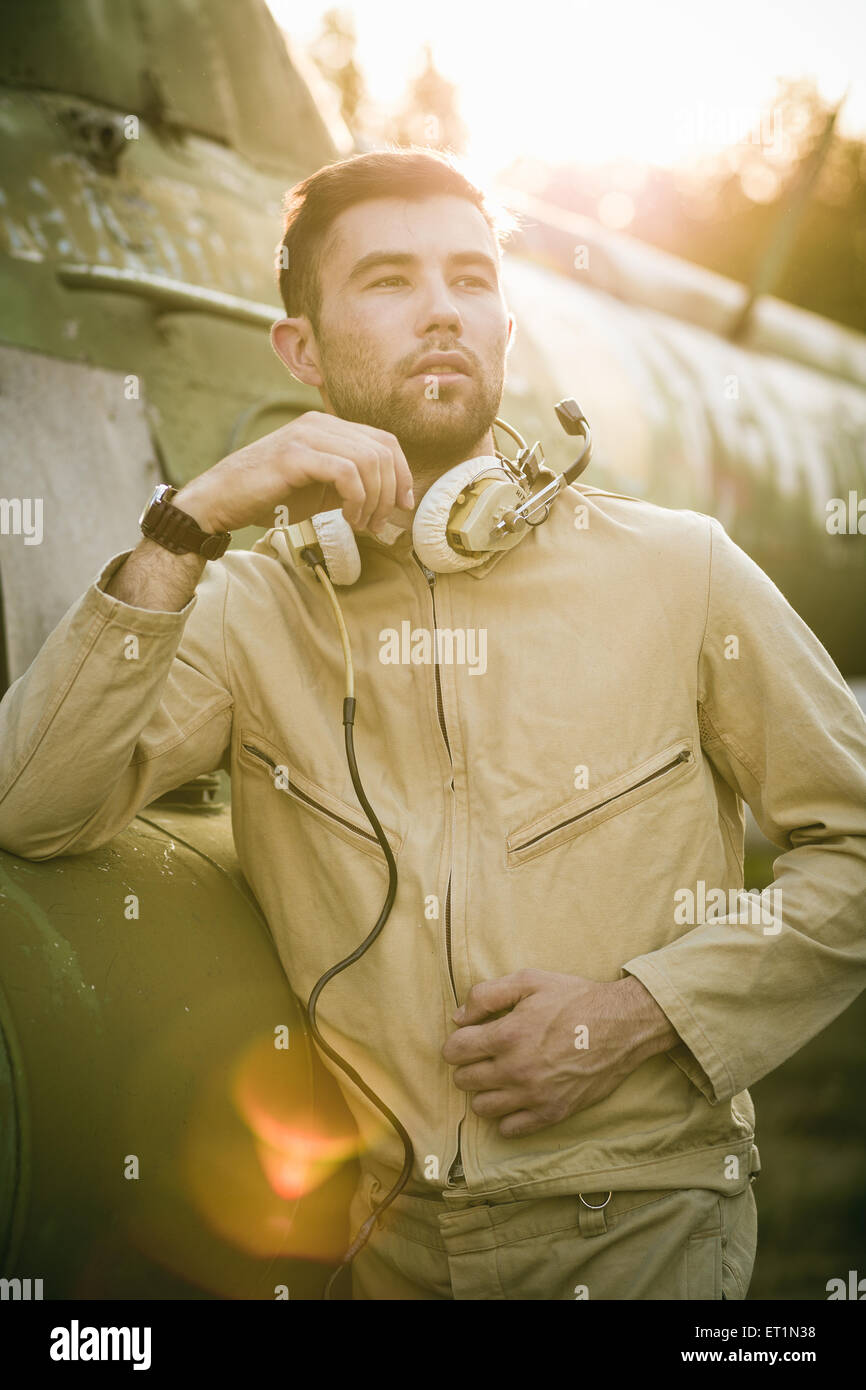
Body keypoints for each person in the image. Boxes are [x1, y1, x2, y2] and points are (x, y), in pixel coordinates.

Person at [1, 148, 865, 1301]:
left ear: (506, 326)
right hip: (377, 1244)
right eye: (389, 281)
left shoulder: (679, 570)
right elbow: (31, 807)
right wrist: (188, 523)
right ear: (298, 350)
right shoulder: (248, 609)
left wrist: (640, 1012)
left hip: (638, 1230)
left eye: (469, 278)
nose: (443, 311)